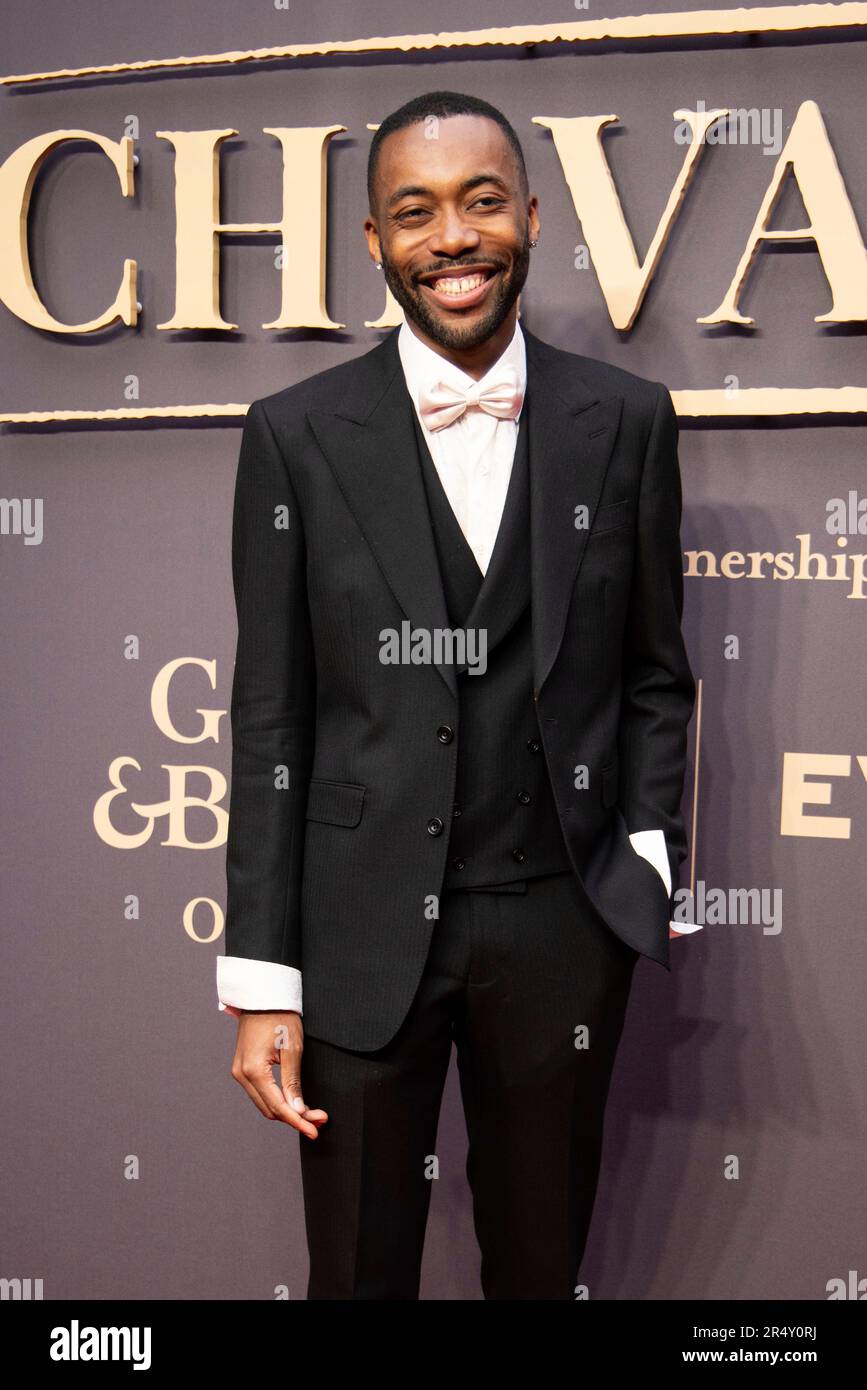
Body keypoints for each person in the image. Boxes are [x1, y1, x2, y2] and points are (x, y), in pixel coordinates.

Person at [216, 90, 695, 1300]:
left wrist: (641, 862)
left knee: (541, 1270)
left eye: (482, 201)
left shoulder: (626, 421)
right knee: (360, 1276)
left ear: (530, 215)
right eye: (414, 212)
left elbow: (654, 673)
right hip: (358, 930)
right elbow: (271, 712)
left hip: (559, 929)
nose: (454, 237)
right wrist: (265, 980)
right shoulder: (294, 433)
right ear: (375, 244)